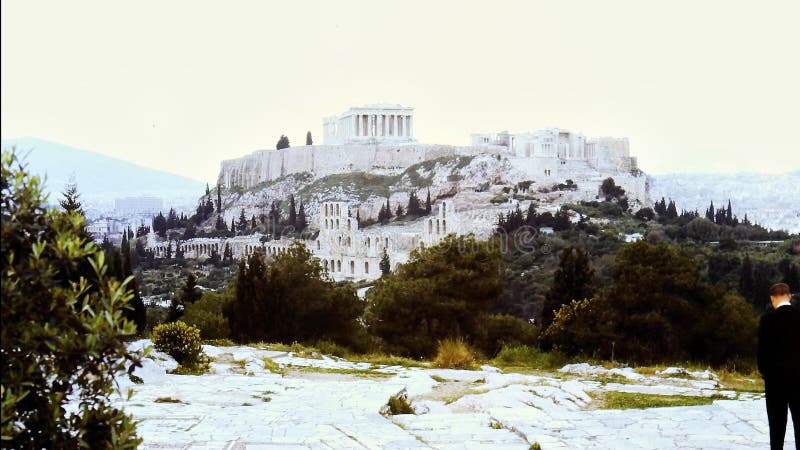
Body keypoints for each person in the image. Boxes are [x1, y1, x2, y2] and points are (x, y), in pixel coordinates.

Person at [758, 282, 800, 450]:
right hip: (799, 379)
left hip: (775, 380)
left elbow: (762, 351)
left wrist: (764, 371)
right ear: (789, 296)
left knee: (776, 425)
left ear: (772, 298)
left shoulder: (767, 320)